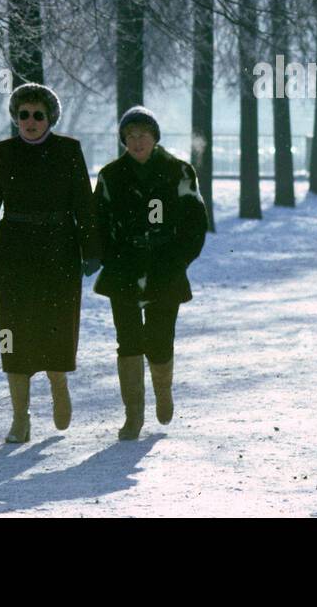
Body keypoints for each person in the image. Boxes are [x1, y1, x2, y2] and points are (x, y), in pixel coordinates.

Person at [0, 83, 102, 444]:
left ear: (50, 118)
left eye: (38, 115)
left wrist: (92, 250)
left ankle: (58, 384)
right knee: (12, 332)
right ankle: (20, 417)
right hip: (14, 252)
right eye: (24, 115)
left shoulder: (69, 151)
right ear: (15, 118)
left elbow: (85, 204)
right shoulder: (4, 153)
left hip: (59, 249)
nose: (30, 121)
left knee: (57, 323)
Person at [92, 106, 207, 440]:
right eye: (130, 136)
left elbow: (195, 225)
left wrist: (177, 261)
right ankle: (133, 416)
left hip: (164, 270)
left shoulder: (178, 172)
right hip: (123, 271)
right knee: (127, 342)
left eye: (143, 135)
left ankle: (163, 392)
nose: (137, 142)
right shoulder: (110, 175)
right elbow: (98, 221)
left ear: (155, 137)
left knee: (159, 340)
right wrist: (107, 256)